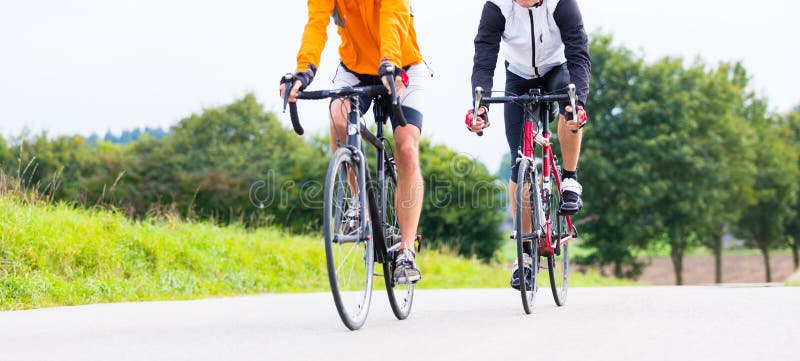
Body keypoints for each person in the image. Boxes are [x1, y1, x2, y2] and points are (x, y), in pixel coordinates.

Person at [280, 1, 428, 284]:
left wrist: (390, 61)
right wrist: (303, 72)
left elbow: (393, 18)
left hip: (401, 65)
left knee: (407, 148)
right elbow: (316, 25)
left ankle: (407, 249)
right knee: (338, 118)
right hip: (355, 68)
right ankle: (360, 201)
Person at [466, 0, 590, 289]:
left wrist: (579, 102)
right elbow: (484, 55)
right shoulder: (497, 6)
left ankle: (569, 178)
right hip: (518, 76)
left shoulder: (562, 4)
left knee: (570, 107)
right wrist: (479, 106)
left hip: (557, 69)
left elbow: (578, 53)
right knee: (518, 159)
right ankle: (523, 255)